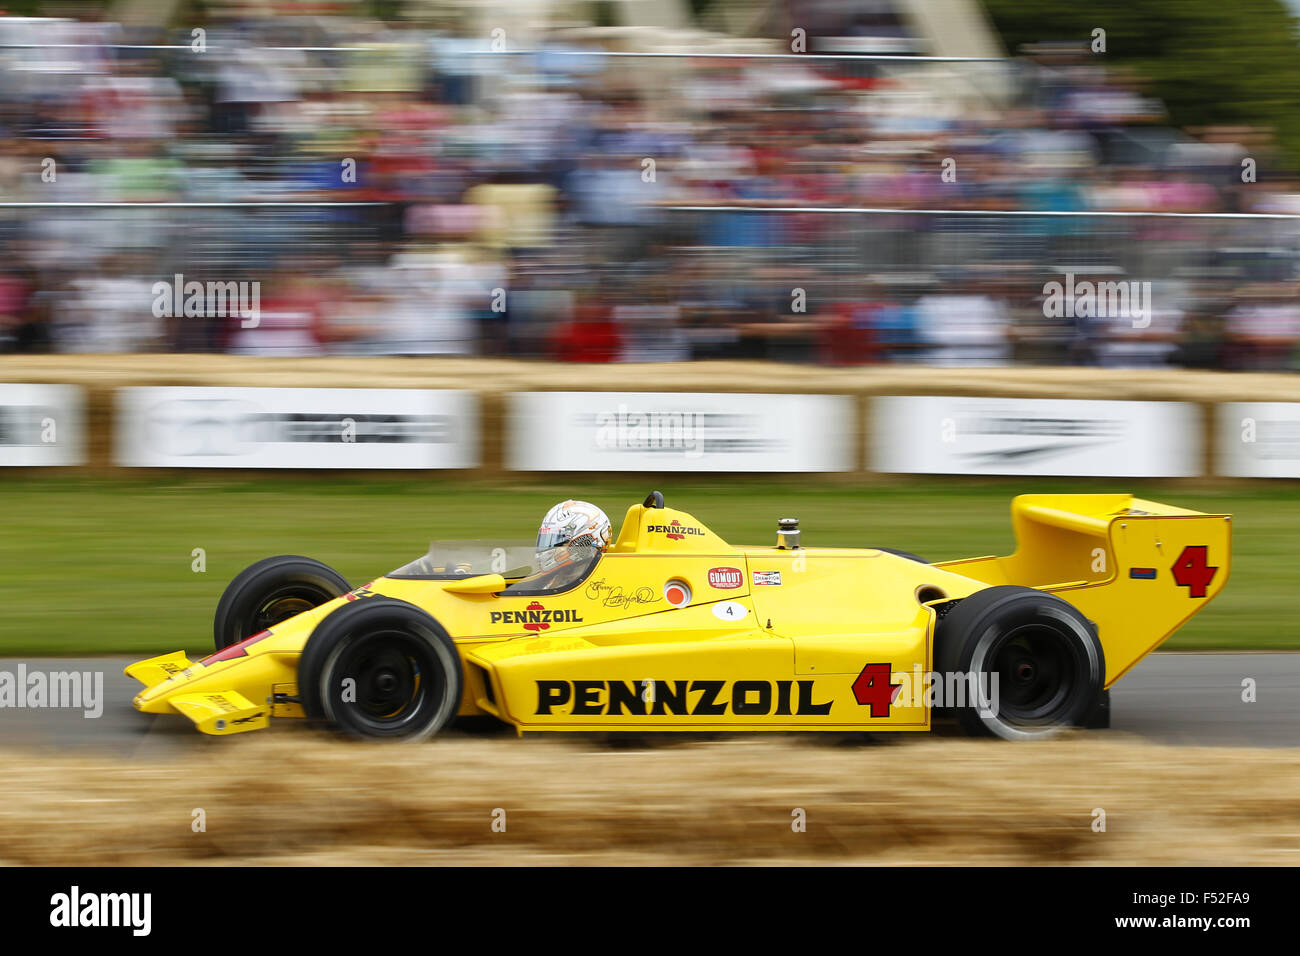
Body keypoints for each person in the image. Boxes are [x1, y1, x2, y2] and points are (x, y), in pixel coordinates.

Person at [523, 500, 612, 590]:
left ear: (582, 541)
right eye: (546, 539)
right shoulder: (560, 579)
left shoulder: (592, 586)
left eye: (555, 540)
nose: (546, 547)